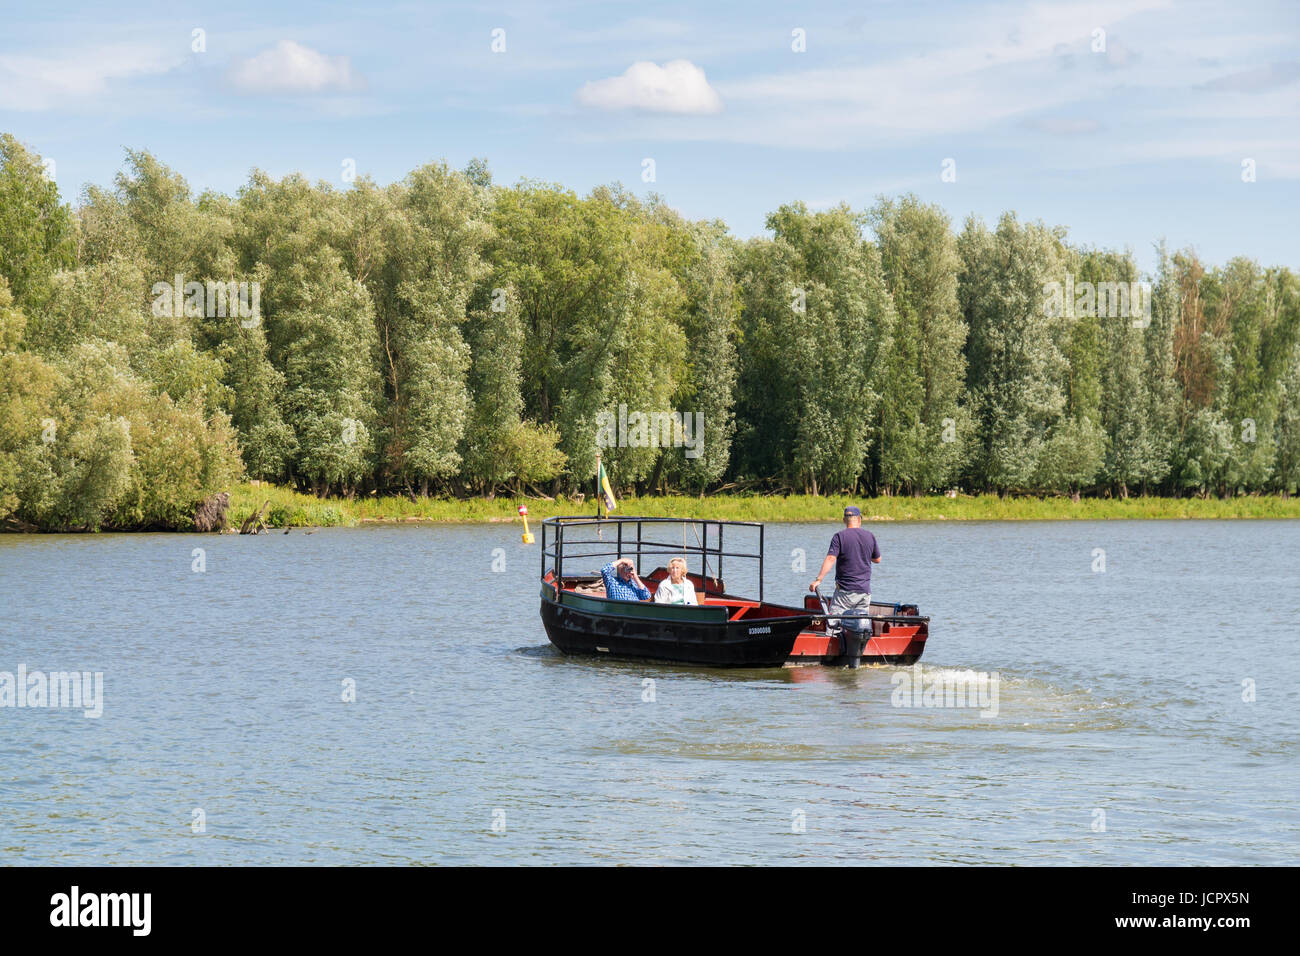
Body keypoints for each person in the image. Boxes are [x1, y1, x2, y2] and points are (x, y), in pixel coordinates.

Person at [809, 505, 880, 632]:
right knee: (860, 628)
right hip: (864, 592)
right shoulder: (870, 536)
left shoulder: (839, 537)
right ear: (859, 519)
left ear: (844, 520)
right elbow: (877, 559)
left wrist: (818, 579)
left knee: (833, 628)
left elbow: (831, 558)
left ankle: (834, 647)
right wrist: (862, 553)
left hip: (844, 593)